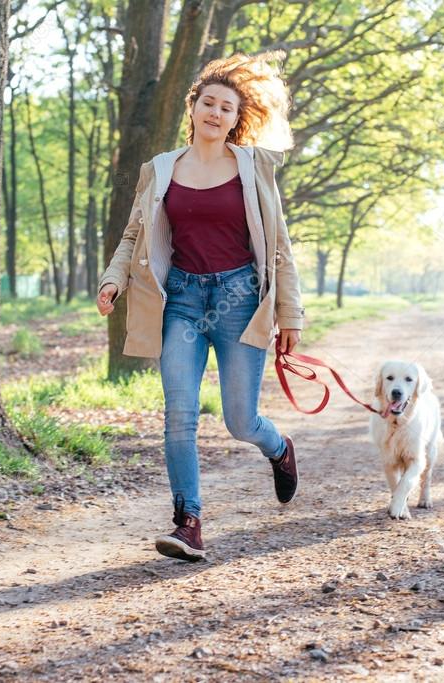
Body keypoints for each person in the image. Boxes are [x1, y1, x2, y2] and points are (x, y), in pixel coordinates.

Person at [96, 52, 305, 562]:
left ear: (237, 119)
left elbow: (278, 244)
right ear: (192, 108)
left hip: (239, 300)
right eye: (207, 103)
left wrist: (289, 314)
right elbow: (133, 234)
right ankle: (188, 522)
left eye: (226, 108)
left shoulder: (253, 167)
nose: (215, 113)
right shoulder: (161, 170)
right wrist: (113, 278)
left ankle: (278, 448)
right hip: (182, 301)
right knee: (180, 416)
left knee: (239, 420)